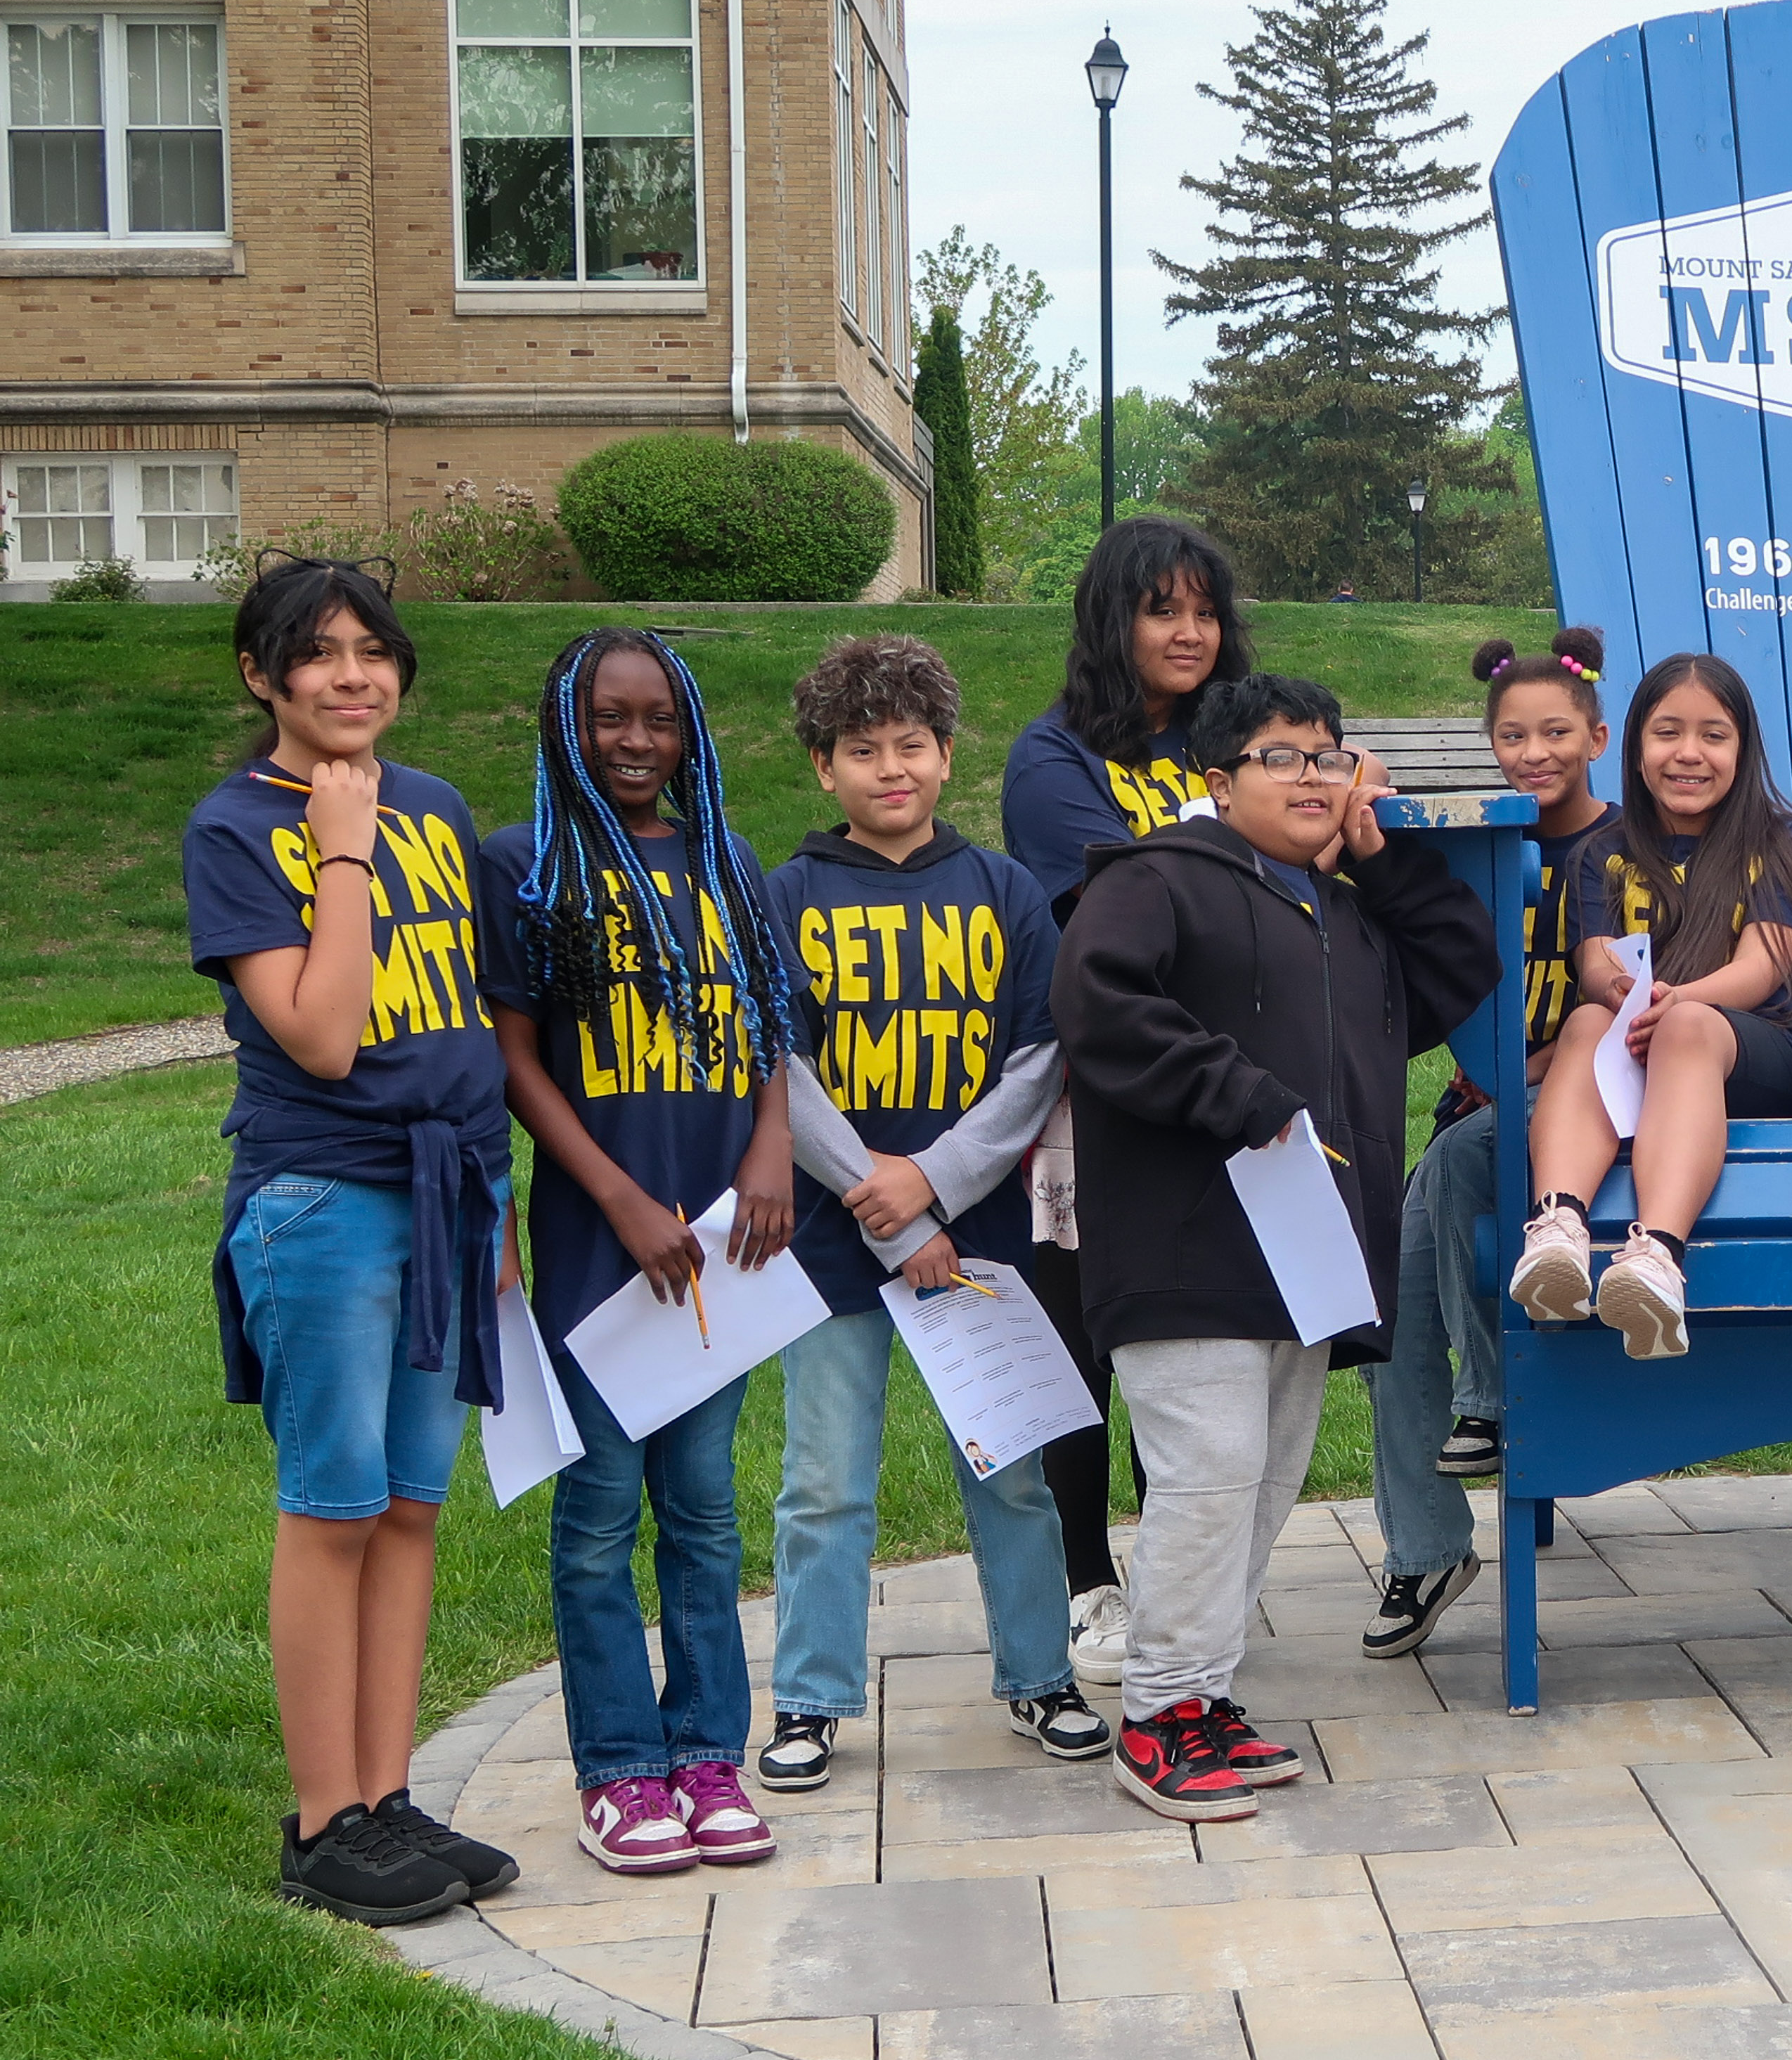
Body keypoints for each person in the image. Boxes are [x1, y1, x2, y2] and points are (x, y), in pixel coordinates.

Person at [1054, 674, 1497, 1821]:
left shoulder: (1342, 912)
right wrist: (1242, 1093)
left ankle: (1201, 1696)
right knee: (1205, 1483)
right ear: (1215, 779)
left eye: (1328, 753)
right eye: (1280, 755)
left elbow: (1461, 963)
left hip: (1308, 1261)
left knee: (1259, 1488)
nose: (1312, 772)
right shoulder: (1151, 880)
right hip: (1186, 1247)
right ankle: (1155, 1720)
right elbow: (1099, 1003)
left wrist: (1382, 856)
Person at [188, 555, 522, 1926]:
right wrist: (338, 853)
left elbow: (474, 1029)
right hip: (322, 1202)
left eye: (372, 651)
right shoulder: (236, 827)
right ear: (262, 676)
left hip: (447, 1202)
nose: (350, 675)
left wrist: (493, 1204)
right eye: (315, 653)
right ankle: (323, 1822)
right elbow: (322, 1036)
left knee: (409, 1507)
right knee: (331, 1511)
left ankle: (387, 1797)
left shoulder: (437, 809)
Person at [758, 636, 1104, 1794]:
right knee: (825, 1479)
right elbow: (780, 1062)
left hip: (983, 1237)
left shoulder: (1003, 890)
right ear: (824, 767)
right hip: (834, 1242)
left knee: (1009, 1470)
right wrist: (892, 1208)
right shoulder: (787, 894)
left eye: (912, 745)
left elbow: (1041, 1056)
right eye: (863, 749)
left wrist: (942, 1179)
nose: (890, 767)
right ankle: (809, 1696)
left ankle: (1041, 1670)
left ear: (948, 755)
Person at [480, 629, 799, 1876]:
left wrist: (770, 1145)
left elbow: (771, 1016)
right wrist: (611, 1195)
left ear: (690, 730)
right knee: (603, 1511)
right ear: (568, 722)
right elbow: (512, 1055)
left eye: (657, 718)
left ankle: (709, 1750)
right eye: (609, 716)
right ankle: (619, 1768)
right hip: (601, 1248)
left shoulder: (725, 857)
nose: (634, 740)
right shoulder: (525, 867)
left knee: (707, 1512)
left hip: (717, 1249)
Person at [997, 517, 1256, 1689]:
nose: (1190, 631)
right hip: (1093, 1093)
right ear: (1115, 619)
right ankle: (1086, 1583)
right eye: (1163, 609)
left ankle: (1177, 1576)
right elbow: (1116, 898)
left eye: (1204, 610)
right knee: (1082, 1338)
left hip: (1221, 1080)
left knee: (1193, 1333)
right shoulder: (1053, 757)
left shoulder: (1236, 740)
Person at [1358, 628, 1614, 1662]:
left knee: (1469, 1163)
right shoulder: (1471, 853)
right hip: (1477, 1107)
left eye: (1556, 732)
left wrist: (1536, 1070)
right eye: (1513, 735)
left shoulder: (1620, 851)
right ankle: (1426, 1543)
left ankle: (1489, 1402)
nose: (1534, 752)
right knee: (1394, 1286)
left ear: (1596, 734)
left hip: (1584, 1108)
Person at [1506, 654, 1792, 1361]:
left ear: (1742, 750)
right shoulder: (1604, 851)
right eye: (1666, 733)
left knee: (1684, 1026)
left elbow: (1762, 966)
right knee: (1589, 1021)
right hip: (1640, 1047)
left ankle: (1655, 1254)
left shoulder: (1785, 840)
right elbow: (1593, 958)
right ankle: (1558, 1229)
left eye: (1712, 736)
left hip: (1757, 1055)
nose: (1688, 754)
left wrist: (1674, 1002)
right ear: (1633, 747)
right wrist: (1614, 993)